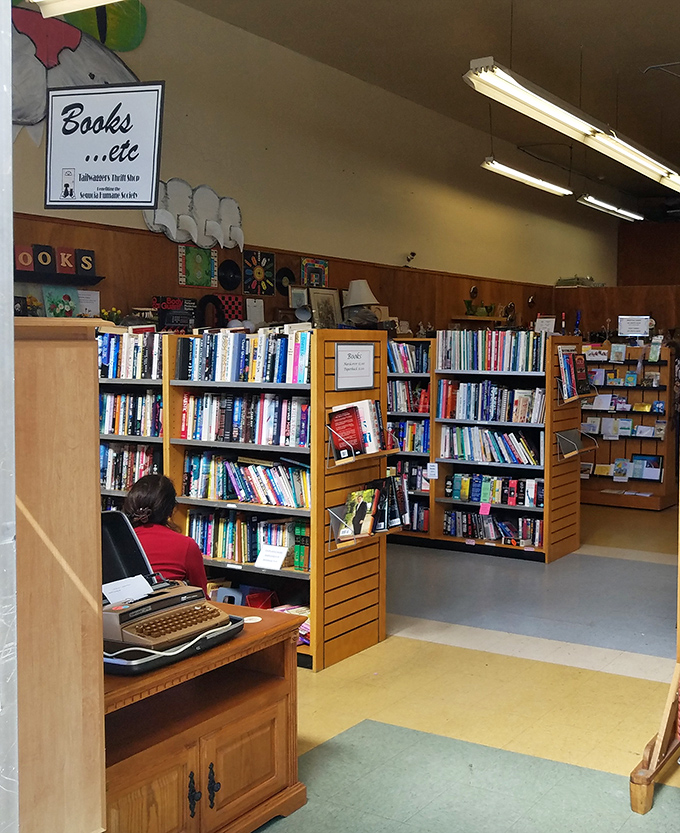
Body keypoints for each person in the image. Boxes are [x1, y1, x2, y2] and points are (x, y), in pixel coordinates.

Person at [123, 474, 208, 598]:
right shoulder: (186, 545)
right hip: (168, 611)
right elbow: (201, 596)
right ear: (171, 509)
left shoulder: (117, 543)